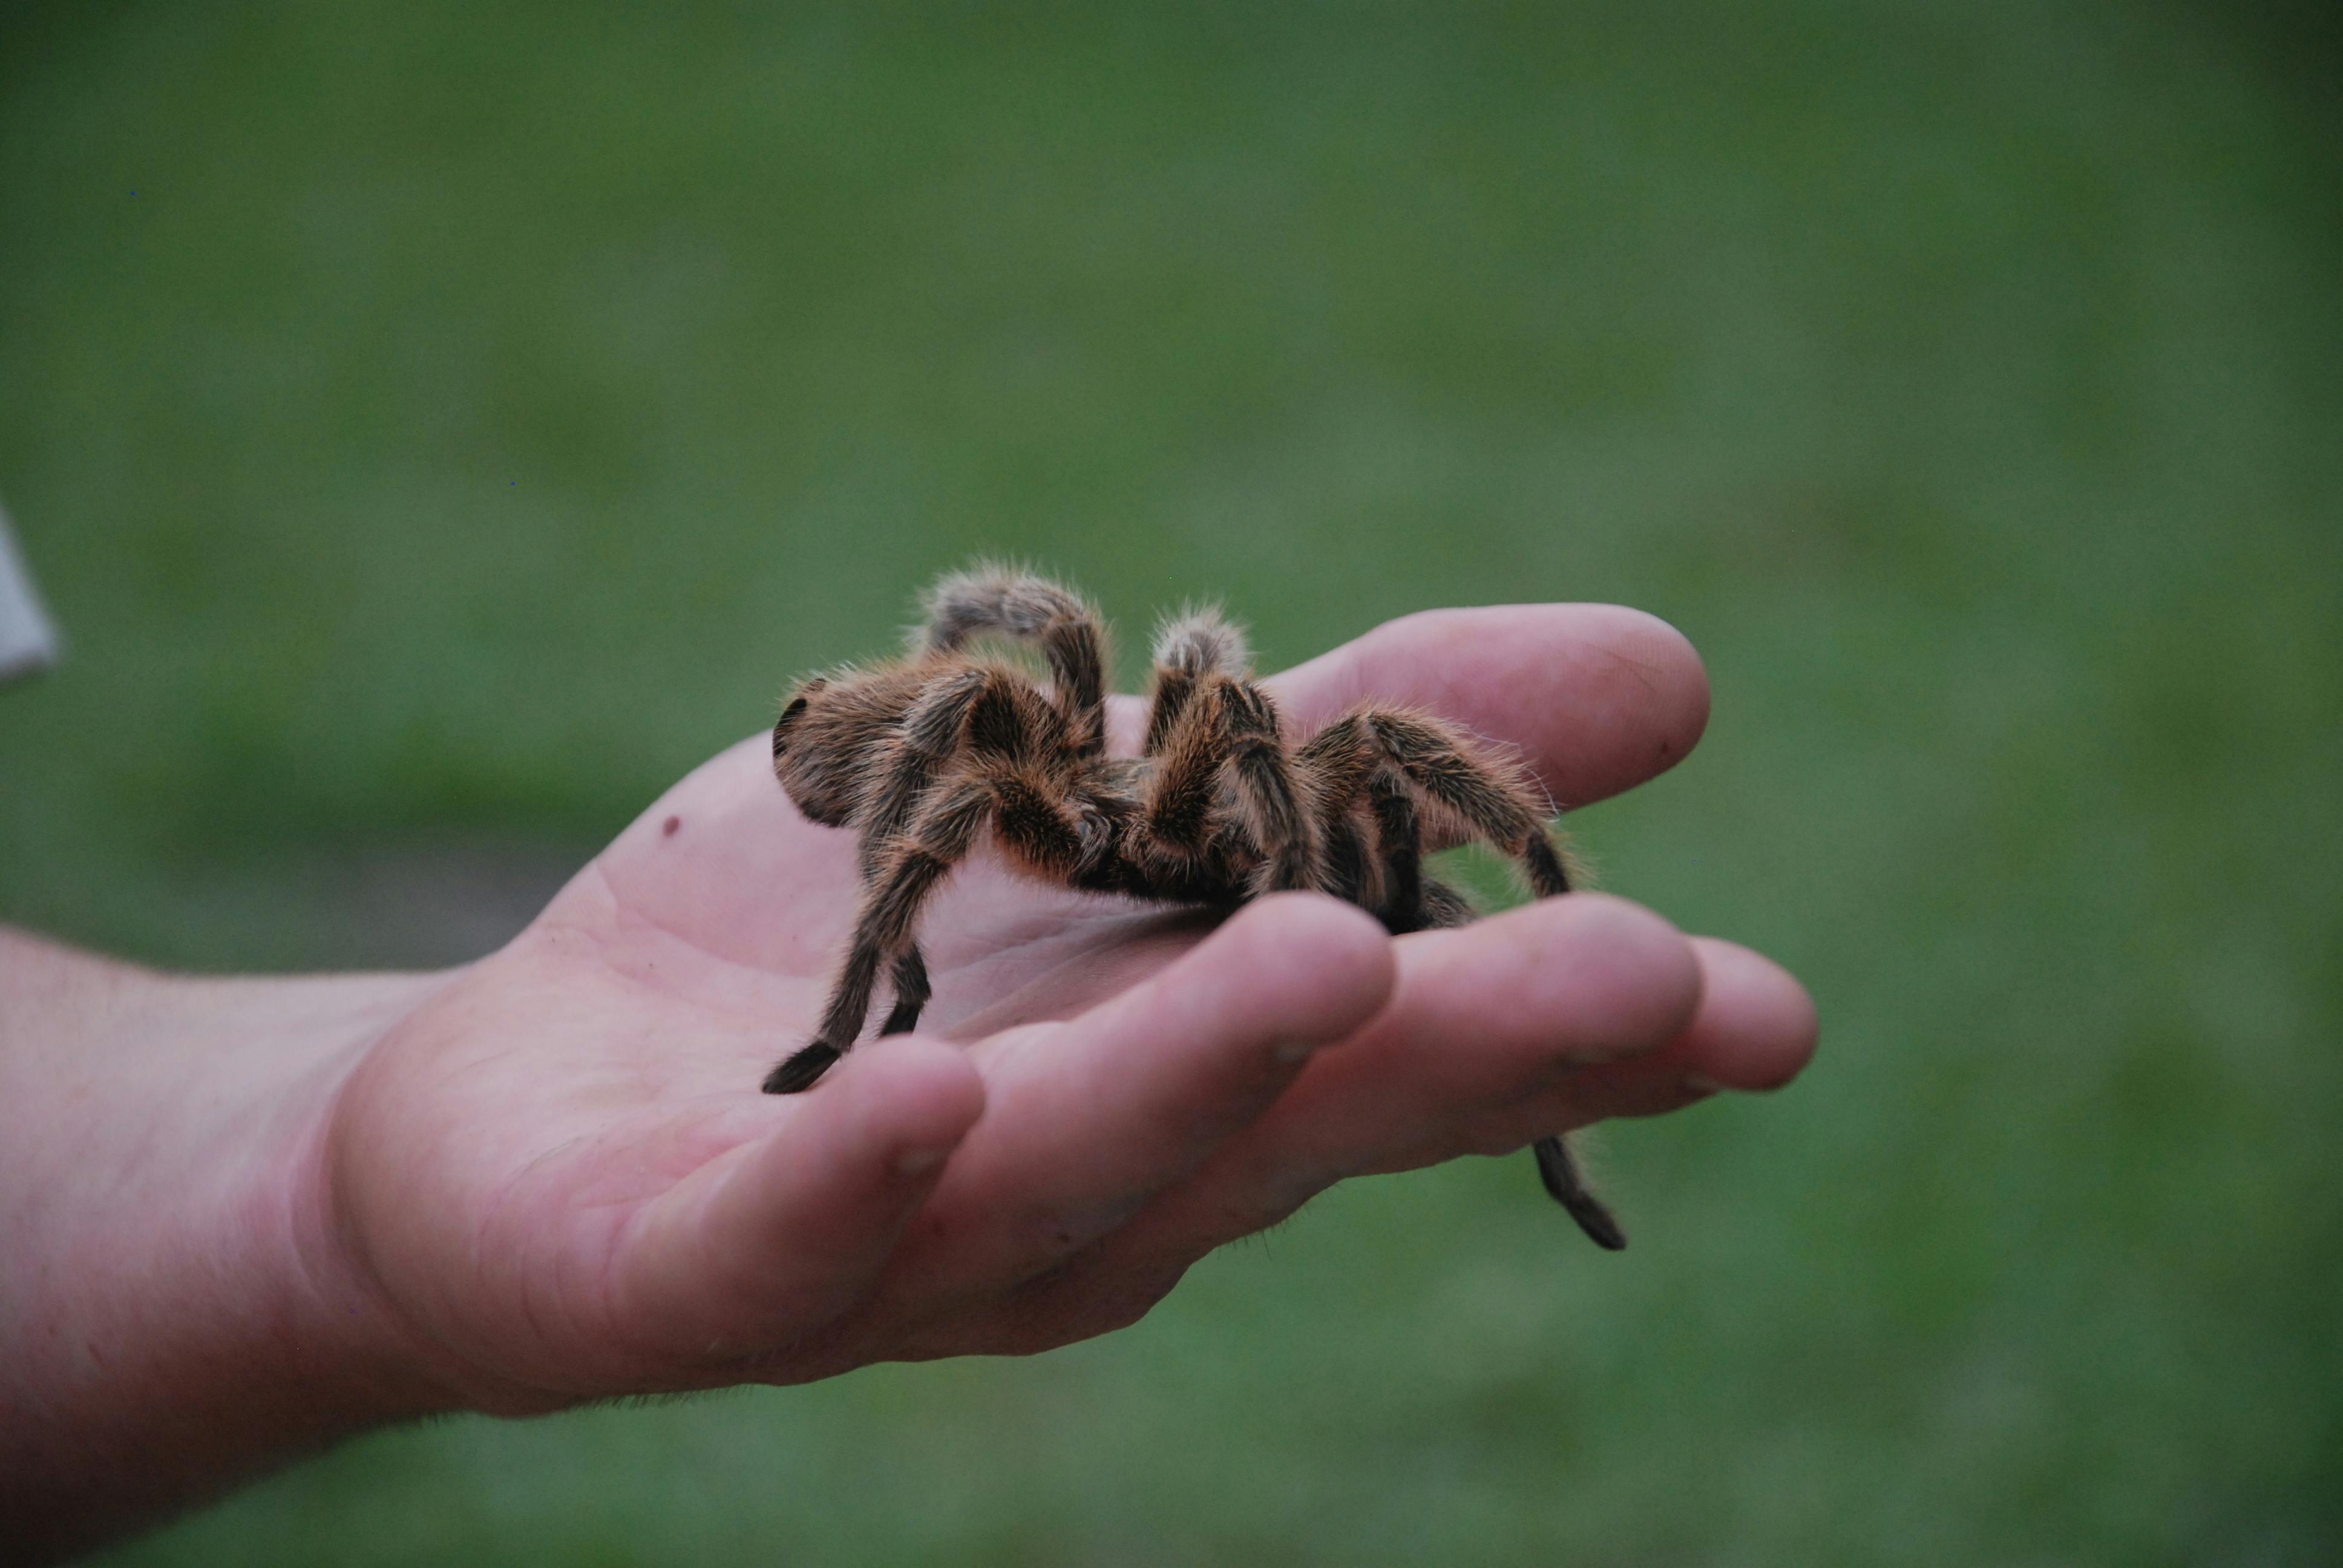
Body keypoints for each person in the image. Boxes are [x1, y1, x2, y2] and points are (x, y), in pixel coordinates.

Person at [0, 598, 1817, 1563]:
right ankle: (888, 978)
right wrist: (890, 964)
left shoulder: (1274, 788)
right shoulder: (1056, 795)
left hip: (1172, 799)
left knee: (1342, 739)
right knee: (1110, 707)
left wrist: (311, 1193)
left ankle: (1556, 933)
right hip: (966, 772)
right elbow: (1116, 683)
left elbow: (1225, 698)